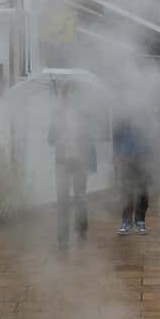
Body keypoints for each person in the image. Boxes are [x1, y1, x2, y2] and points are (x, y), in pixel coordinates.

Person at [48, 83, 95, 249]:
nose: (71, 96)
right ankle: (62, 238)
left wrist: (91, 163)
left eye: (74, 93)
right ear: (64, 95)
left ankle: (82, 229)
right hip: (62, 162)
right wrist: (58, 133)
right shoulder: (57, 114)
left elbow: (90, 140)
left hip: (80, 162)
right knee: (62, 199)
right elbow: (50, 139)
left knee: (80, 197)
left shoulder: (84, 114)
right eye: (68, 93)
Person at [113, 120, 150, 235]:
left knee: (142, 194)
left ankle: (140, 221)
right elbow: (117, 149)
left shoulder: (145, 130)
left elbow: (150, 149)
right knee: (127, 194)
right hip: (126, 162)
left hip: (142, 162)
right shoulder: (122, 130)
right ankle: (126, 222)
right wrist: (118, 165)